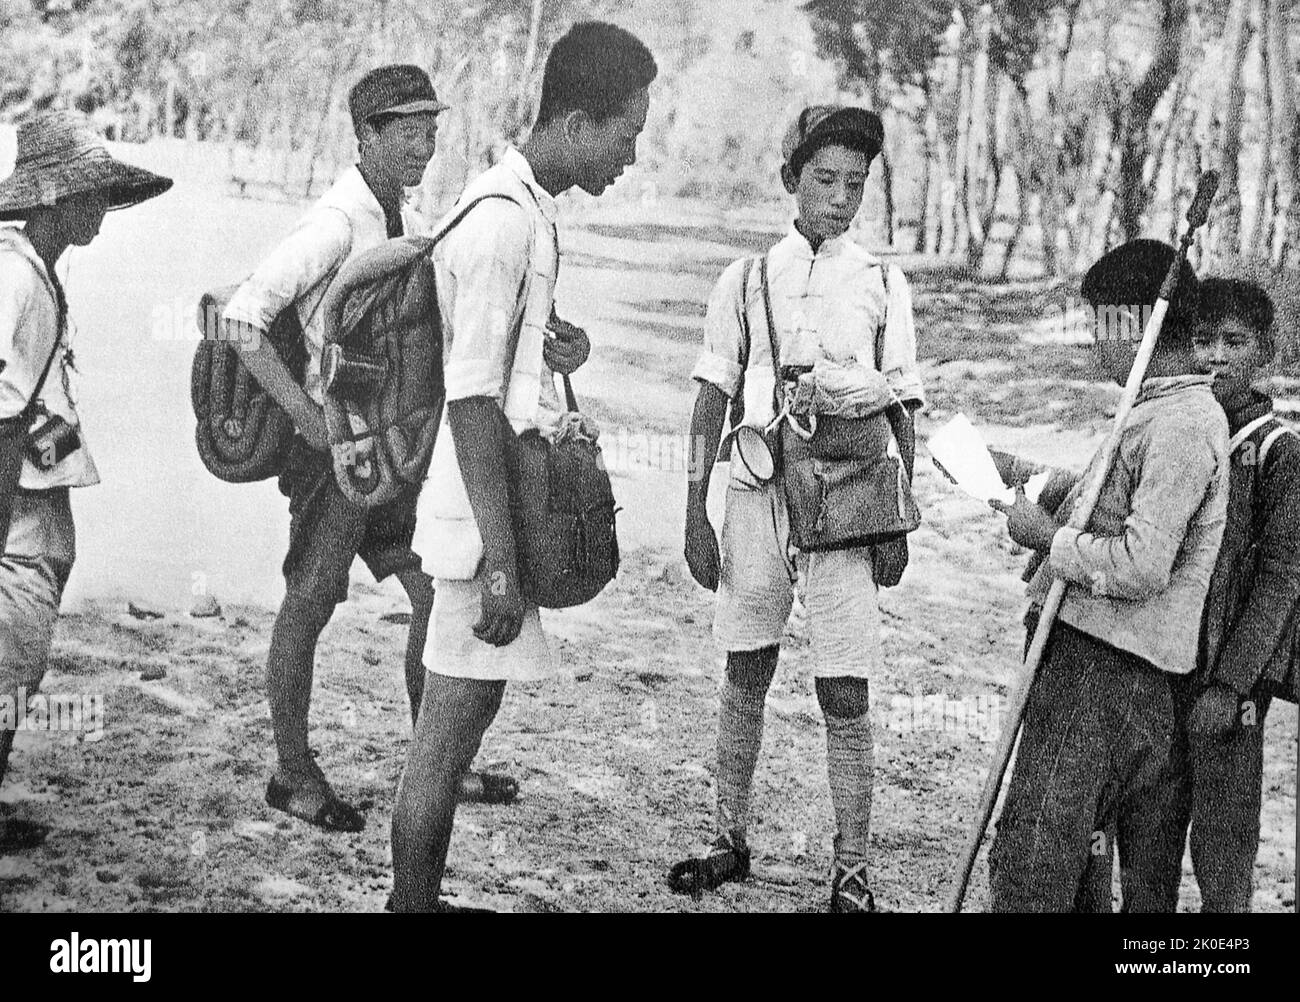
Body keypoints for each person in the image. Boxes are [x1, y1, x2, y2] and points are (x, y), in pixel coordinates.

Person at [389, 21, 657, 912]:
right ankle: (409, 905)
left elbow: (500, 366)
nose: (630, 156)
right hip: (477, 522)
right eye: (627, 134)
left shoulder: (527, 208)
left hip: (489, 508)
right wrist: (502, 558)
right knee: (444, 736)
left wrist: (553, 352)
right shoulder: (503, 222)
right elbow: (470, 400)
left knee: (466, 718)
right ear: (578, 121)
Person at [223, 65, 509, 833]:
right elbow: (242, 319)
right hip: (334, 456)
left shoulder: (400, 217)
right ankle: (292, 773)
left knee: (429, 596)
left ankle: (437, 762)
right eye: (409, 133)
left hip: (394, 455)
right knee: (311, 600)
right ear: (368, 137)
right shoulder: (336, 222)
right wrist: (307, 418)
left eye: (431, 132)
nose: (425, 147)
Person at [671, 105, 926, 912]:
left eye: (856, 183)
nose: (842, 198)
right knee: (746, 663)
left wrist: (900, 518)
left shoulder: (884, 282)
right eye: (825, 180)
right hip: (755, 500)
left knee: (844, 688)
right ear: (791, 181)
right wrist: (693, 513)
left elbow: (904, 409)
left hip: (849, 512)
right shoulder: (746, 280)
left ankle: (851, 866)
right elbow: (710, 397)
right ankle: (726, 835)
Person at [985, 238, 1230, 912]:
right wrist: (1023, 478)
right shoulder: (1153, 410)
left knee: (1035, 854)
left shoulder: (1182, 424)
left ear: (1133, 321)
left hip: (1106, 670)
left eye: (1098, 324)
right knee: (1075, 865)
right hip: (1089, 661)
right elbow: (1112, 505)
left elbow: (1143, 565)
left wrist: (1047, 538)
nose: (1095, 343)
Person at [0, 110, 171, 851]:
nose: (98, 206)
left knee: (17, 665)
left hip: (36, 497)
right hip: (17, 507)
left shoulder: (34, 268)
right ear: (48, 199)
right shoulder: (17, 277)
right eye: (86, 193)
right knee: (13, 661)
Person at [1141, 277, 1300, 911]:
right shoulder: (1182, 428)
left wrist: (1234, 684)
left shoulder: (1275, 452)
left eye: (1234, 342)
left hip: (1226, 685)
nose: (1215, 356)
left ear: (1266, 352)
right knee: (1150, 837)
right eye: (1203, 340)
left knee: (1223, 851)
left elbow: (1281, 578)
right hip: (1163, 666)